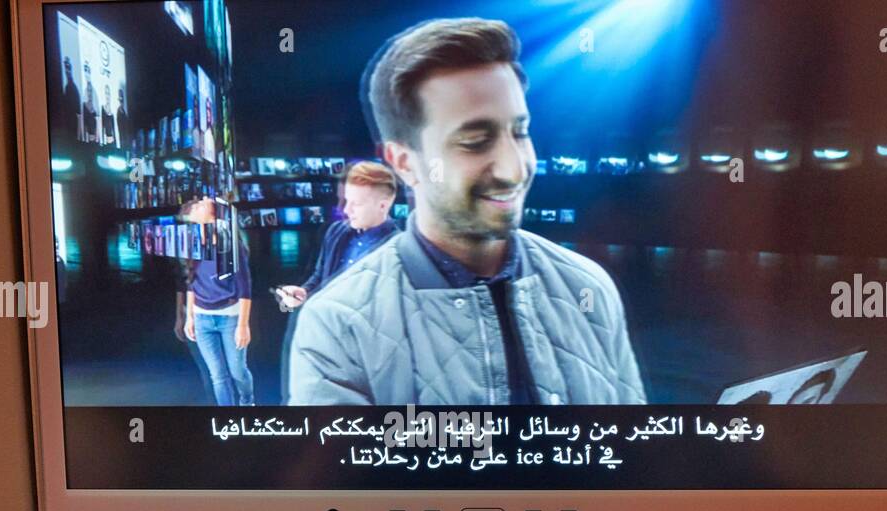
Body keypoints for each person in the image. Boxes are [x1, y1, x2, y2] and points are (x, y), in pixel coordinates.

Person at [287, 18, 646, 406]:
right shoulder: (337, 326)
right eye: (474, 142)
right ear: (403, 162)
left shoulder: (589, 288)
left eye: (520, 132)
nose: (513, 169)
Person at [276, 161, 401, 402]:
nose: (346, 210)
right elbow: (319, 277)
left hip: (362, 356)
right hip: (321, 343)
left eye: (356, 203)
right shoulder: (336, 232)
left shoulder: (398, 251)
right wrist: (304, 292)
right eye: (345, 200)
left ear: (383, 205)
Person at [182, 199, 255, 406]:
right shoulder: (192, 244)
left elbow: (245, 286)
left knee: (238, 372)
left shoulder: (231, 246)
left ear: (214, 215)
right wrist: (189, 317)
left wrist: (243, 325)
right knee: (218, 376)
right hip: (202, 317)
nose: (197, 206)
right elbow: (190, 282)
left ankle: (248, 402)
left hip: (229, 317)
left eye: (203, 204)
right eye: (196, 205)